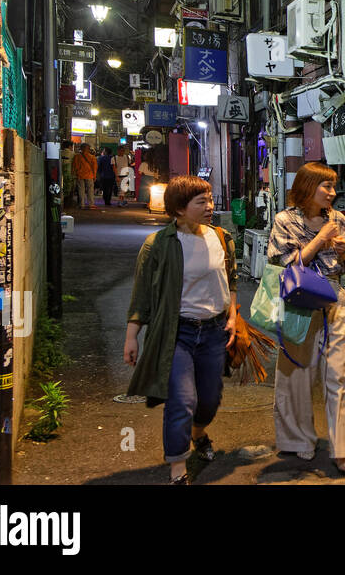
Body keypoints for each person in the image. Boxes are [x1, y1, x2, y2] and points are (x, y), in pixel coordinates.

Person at [124, 175, 238, 484]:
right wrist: (132, 336)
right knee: (182, 400)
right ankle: (177, 468)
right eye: (201, 202)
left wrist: (233, 316)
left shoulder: (222, 237)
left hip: (214, 331)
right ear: (178, 208)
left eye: (210, 200)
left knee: (210, 399)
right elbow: (143, 294)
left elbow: (231, 278)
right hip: (178, 333)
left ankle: (198, 433)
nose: (210, 207)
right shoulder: (158, 245)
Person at [267, 162, 345, 475]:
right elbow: (284, 262)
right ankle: (298, 440)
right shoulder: (285, 220)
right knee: (296, 372)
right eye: (326, 187)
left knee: (337, 374)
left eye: (333, 187)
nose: (333, 194)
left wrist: (344, 251)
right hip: (298, 299)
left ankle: (342, 449)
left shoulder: (339, 219)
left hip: (335, 297)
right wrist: (320, 239)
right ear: (308, 188)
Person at [73, 144, 97, 209]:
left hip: (80, 175)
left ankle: (82, 204)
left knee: (81, 190)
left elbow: (75, 167)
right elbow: (94, 168)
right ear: (88, 149)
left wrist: (75, 174)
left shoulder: (77, 157)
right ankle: (91, 204)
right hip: (89, 175)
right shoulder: (92, 157)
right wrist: (94, 176)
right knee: (90, 190)